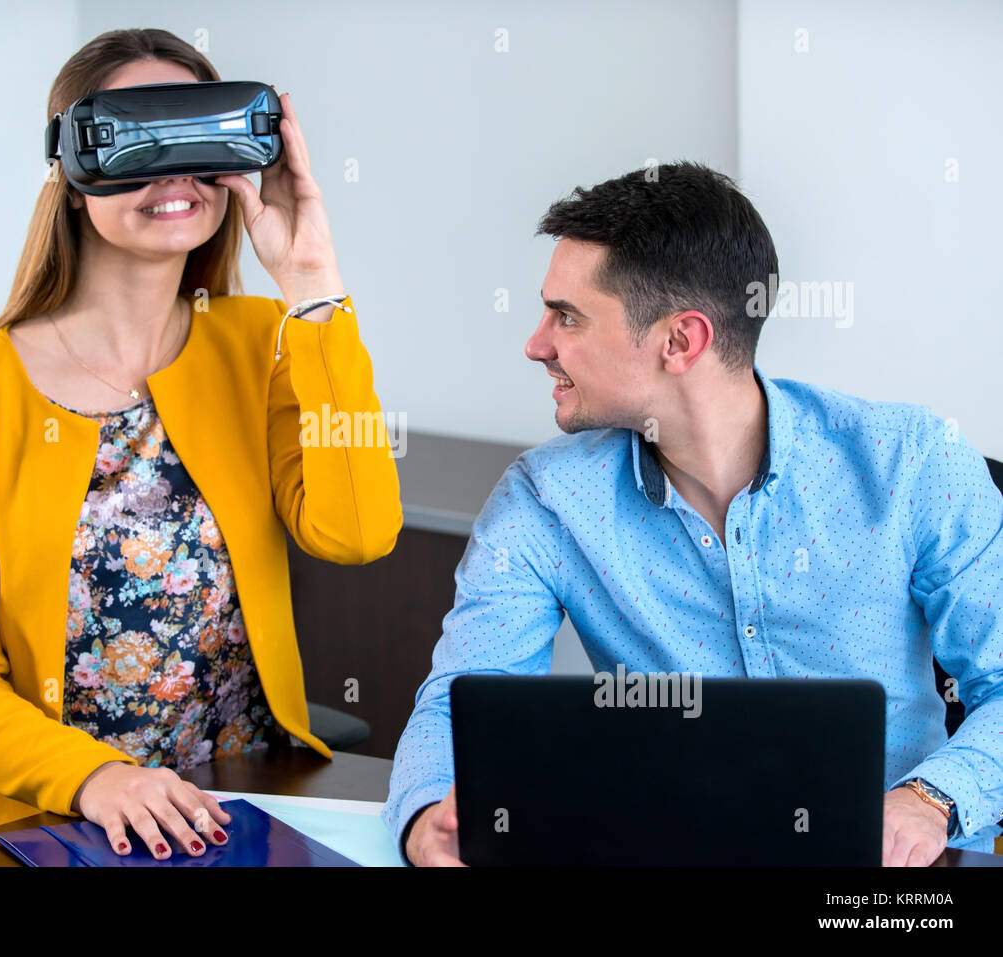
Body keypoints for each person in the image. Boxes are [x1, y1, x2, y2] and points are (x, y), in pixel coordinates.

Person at [382, 161, 1003, 867]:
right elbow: (455, 703)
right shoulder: (545, 501)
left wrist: (931, 799)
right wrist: (427, 816)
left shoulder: (914, 464)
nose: (537, 344)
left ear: (682, 340)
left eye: (567, 317)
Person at [0, 28, 401, 861]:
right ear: (70, 167)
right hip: (62, 814)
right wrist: (97, 777)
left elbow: (358, 530)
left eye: (199, 143)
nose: (175, 177)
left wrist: (313, 286)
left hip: (242, 802)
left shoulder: (260, 341)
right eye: (138, 143)